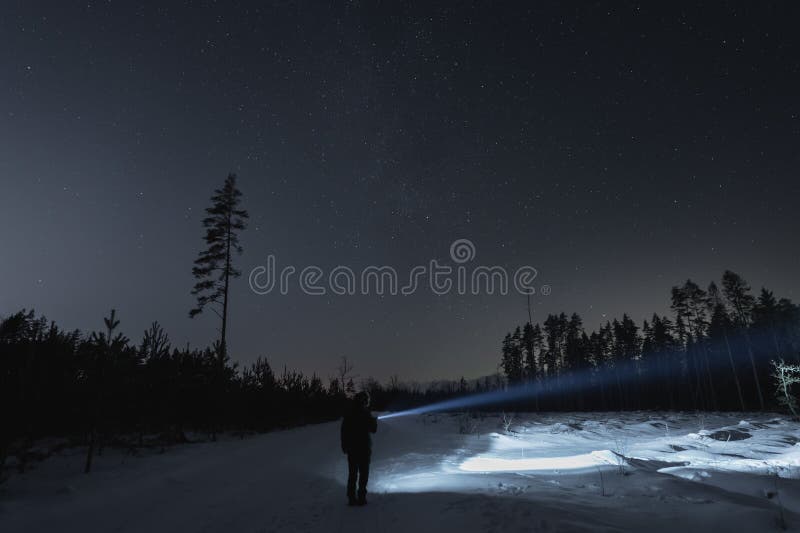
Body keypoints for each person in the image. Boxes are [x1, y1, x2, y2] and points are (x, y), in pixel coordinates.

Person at [340, 391, 377, 506]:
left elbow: (344, 431)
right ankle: (361, 497)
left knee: (353, 474)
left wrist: (344, 446)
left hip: (352, 449)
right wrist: (373, 421)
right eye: (366, 400)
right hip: (364, 448)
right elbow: (373, 429)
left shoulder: (349, 413)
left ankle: (351, 498)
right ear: (364, 401)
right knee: (363, 473)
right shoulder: (366, 413)